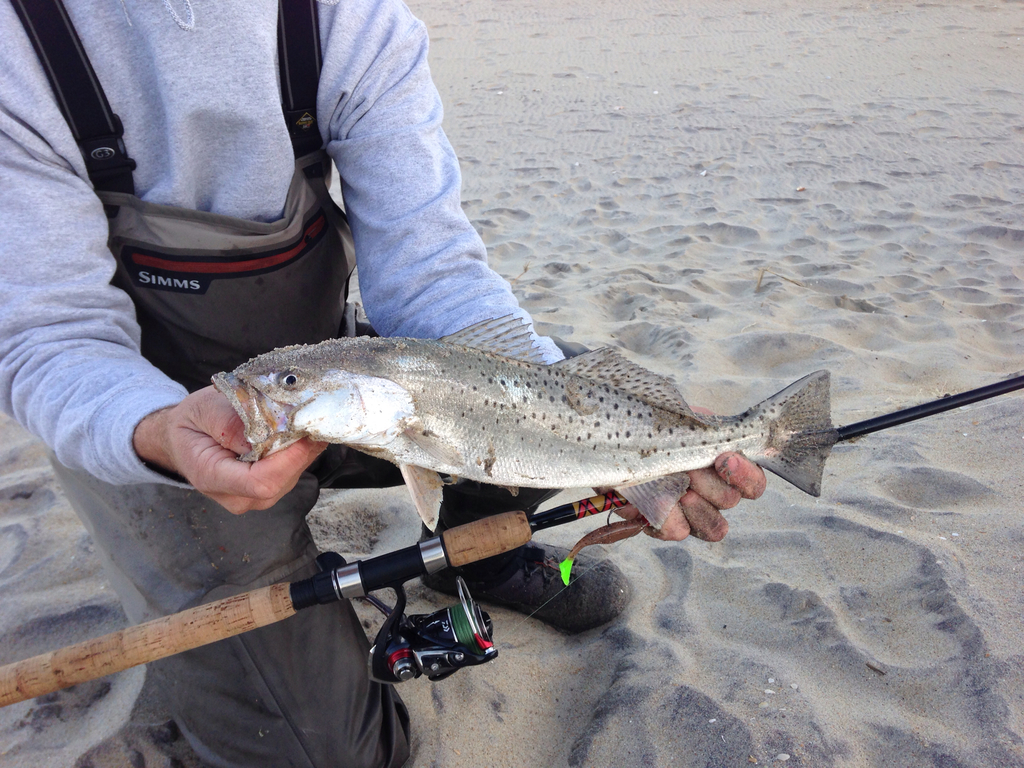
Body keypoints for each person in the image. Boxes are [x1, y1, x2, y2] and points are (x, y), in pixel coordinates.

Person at [0, 0, 766, 766]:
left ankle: (478, 552)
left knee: (535, 392)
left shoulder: (351, 19)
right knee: (325, 754)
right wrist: (152, 430)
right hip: (140, 418)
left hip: (337, 381)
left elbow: (433, 276)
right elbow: (48, 335)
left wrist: (640, 433)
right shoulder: (17, 43)